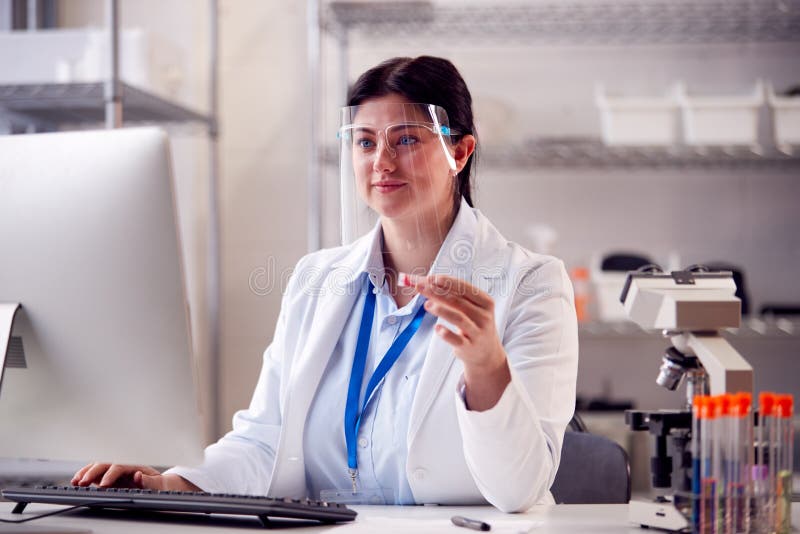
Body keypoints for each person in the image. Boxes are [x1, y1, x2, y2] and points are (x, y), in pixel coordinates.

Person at [71, 56, 578, 512]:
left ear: (460, 152)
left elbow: (518, 489)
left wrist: (487, 367)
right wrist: (164, 487)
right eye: (364, 141)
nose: (381, 161)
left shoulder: (531, 284)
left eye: (405, 139)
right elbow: (265, 441)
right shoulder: (317, 279)